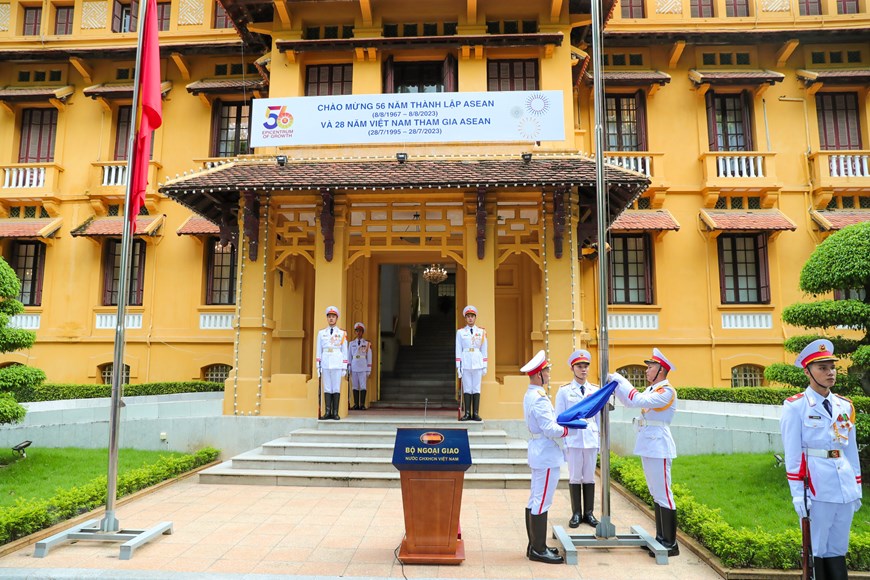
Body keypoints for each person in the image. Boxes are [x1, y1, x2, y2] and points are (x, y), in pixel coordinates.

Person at [781, 339, 861, 579]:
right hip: (816, 486)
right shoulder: (796, 407)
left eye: (832, 367)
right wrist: (798, 494)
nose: (830, 373)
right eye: (822, 368)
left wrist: (856, 486)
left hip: (844, 484)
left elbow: (851, 449)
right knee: (816, 547)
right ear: (807, 372)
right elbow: (793, 455)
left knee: (838, 547)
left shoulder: (844, 405)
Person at [609, 348, 679, 557]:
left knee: (664, 493)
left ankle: (670, 543)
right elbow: (631, 401)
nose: (647, 370)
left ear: (661, 370)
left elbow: (638, 400)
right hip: (649, 444)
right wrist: (616, 386)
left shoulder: (667, 391)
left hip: (659, 445)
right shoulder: (651, 390)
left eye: (650, 367)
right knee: (656, 492)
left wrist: (621, 380)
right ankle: (661, 537)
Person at [521, 349, 568, 564]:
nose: (549, 374)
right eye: (546, 371)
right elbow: (550, 428)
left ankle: (534, 545)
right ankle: (538, 549)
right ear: (539, 374)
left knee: (535, 497)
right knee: (542, 500)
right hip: (546, 452)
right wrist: (568, 429)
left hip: (540, 450)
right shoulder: (539, 398)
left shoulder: (532, 394)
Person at [555, 349, 600, 529]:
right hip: (573, 438)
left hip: (590, 437)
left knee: (589, 476)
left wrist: (599, 440)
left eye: (586, 366)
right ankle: (576, 513)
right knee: (574, 476)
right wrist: (563, 441)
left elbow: (598, 418)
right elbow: (559, 418)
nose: (583, 370)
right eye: (579, 366)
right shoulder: (564, 391)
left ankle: (589, 513)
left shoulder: (595, 390)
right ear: (572, 368)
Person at [455, 305, 488, 421]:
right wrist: (458, 366)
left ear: (475, 318)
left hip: (478, 363)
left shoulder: (481, 332)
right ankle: (467, 413)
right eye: (468, 316)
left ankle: (476, 413)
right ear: (465, 318)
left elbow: (484, 349)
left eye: (472, 316)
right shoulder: (460, 332)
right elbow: (458, 349)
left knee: (476, 388)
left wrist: (485, 365)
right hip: (466, 363)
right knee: (467, 388)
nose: (470, 318)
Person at [315, 306, 348, 420]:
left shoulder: (342, 333)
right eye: (329, 316)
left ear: (336, 318)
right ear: (327, 318)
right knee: (327, 388)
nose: (331, 318)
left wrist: (344, 366)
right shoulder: (321, 333)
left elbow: (344, 351)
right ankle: (327, 412)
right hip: (325, 363)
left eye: (333, 316)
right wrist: (318, 365)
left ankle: (335, 412)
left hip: (337, 362)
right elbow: (319, 350)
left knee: (336, 388)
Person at [348, 322, 372, 411]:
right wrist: (349, 367)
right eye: (357, 331)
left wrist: (369, 368)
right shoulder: (351, 344)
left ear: (363, 332)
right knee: (354, 385)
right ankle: (355, 404)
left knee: (363, 385)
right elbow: (349, 356)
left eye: (360, 331)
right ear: (355, 332)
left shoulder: (367, 343)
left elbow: (369, 356)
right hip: (354, 366)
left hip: (363, 366)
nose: (359, 333)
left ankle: (362, 404)